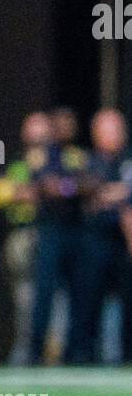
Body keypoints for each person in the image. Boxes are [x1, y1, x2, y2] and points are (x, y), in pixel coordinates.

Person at [0, 110, 51, 365]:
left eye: (42, 132)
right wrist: (33, 191)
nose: (37, 137)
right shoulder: (16, 163)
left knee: (55, 295)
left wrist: (40, 191)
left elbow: (69, 187)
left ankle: (56, 352)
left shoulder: (66, 158)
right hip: (22, 234)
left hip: (54, 234)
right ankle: (26, 349)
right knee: (25, 297)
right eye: (33, 132)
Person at [28, 106, 88, 364]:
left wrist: (69, 186)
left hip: (76, 230)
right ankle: (35, 350)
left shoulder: (77, 155)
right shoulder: (40, 155)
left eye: (70, 122)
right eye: (61, 123)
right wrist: (72, 187)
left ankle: (76, 350)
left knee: (80, 291)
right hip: (50, 230)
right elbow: (47, 186)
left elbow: (91, 183)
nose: (67, 128)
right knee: (45, 292)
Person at [75, 109, 132, 364]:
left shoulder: (127, 161)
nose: (116, 135)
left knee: (127, 299)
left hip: (123, 243)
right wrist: (115, 193)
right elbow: (87, 192)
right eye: (110, 129)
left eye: (119, 129)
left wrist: (113, 194)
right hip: (95, 239)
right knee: (88, 298)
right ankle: (82, 354)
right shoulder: (87, 161)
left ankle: (125, 354)